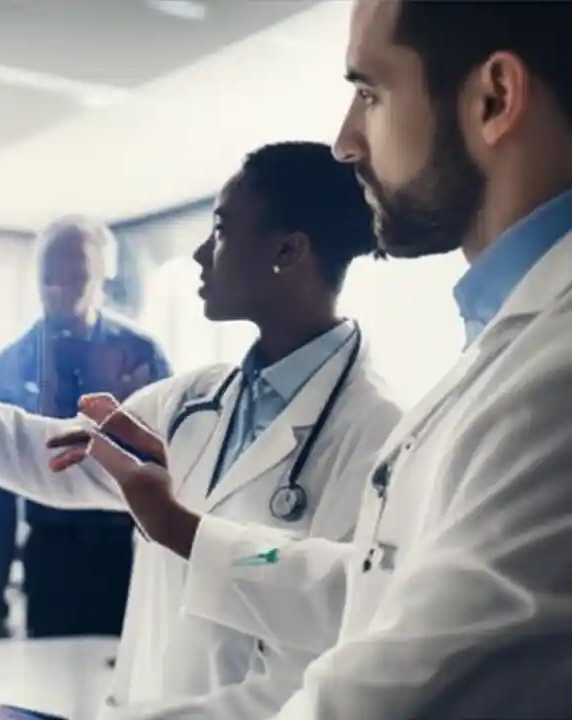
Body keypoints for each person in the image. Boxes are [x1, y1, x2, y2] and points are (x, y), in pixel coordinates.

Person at [71, 1, 572, 717]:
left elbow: (405, 692)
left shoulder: (555, 375)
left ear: (494, 98)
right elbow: (381, 585)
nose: (345, 141)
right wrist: (182, 528)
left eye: (370, 94)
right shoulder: (512, 338)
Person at [0, 142, 401, 719]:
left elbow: (321, 663)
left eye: (219, 230)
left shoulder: (376, 432)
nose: (198, 254)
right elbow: (39, 453)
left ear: (289, 250)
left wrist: (178, 525)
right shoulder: (191, 400)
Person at [0, 216, 170, 640]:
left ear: (104, 275)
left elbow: (174, 457)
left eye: (76, 277)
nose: (60, 291)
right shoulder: (10, 365)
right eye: (50, 278)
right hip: (51, 554)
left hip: (126, 549)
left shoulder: (140, 353)